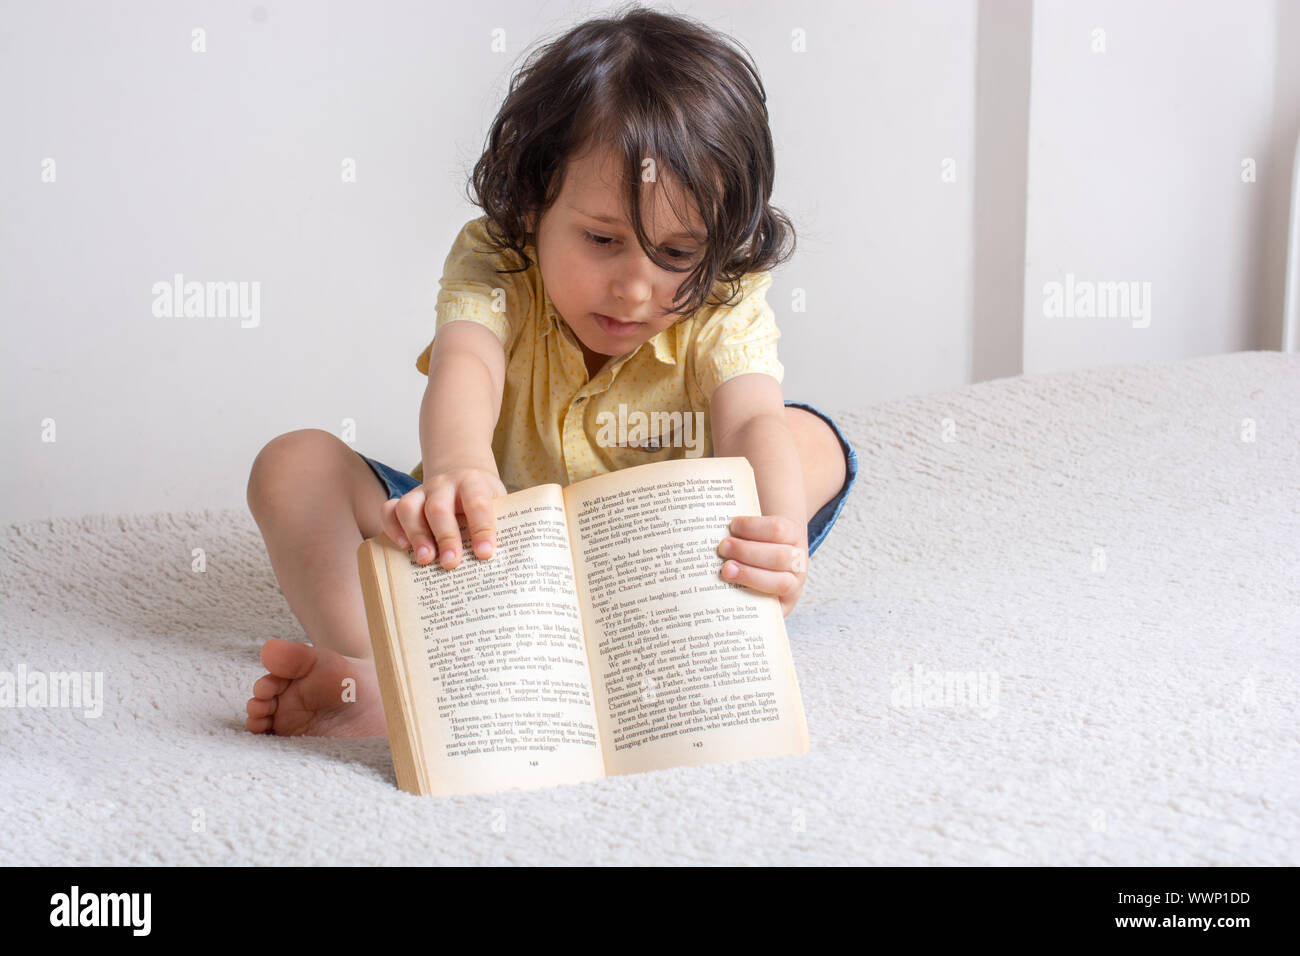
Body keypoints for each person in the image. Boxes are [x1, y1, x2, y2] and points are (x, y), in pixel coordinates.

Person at [244, 5, 858, 737]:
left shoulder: (722, 297)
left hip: (656, 559)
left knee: (803, 435)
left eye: (677, 254)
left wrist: (778, 535)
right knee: (293, 464)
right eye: (602, 239)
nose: (636, 287)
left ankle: (673, 626)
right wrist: (459, 469)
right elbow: (465, 360)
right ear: (532, 203)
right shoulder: (498, 260)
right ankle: (389, 678)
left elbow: (752, 416)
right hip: (489, 551)